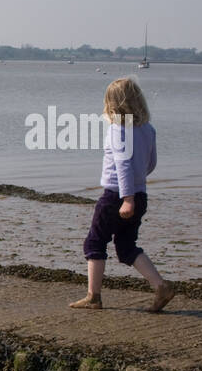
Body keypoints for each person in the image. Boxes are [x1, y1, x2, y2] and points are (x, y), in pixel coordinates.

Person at [69, 77, 175, 312]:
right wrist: (137, 188)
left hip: (117, 196)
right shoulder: (148, 129)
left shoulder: (118, 129)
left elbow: (123, 164)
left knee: (95, 242)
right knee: (126, 245)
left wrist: (126, 198)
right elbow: (151, 162)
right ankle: (160, 286)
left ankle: (93, 297)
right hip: (140, 194)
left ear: (112, 104)